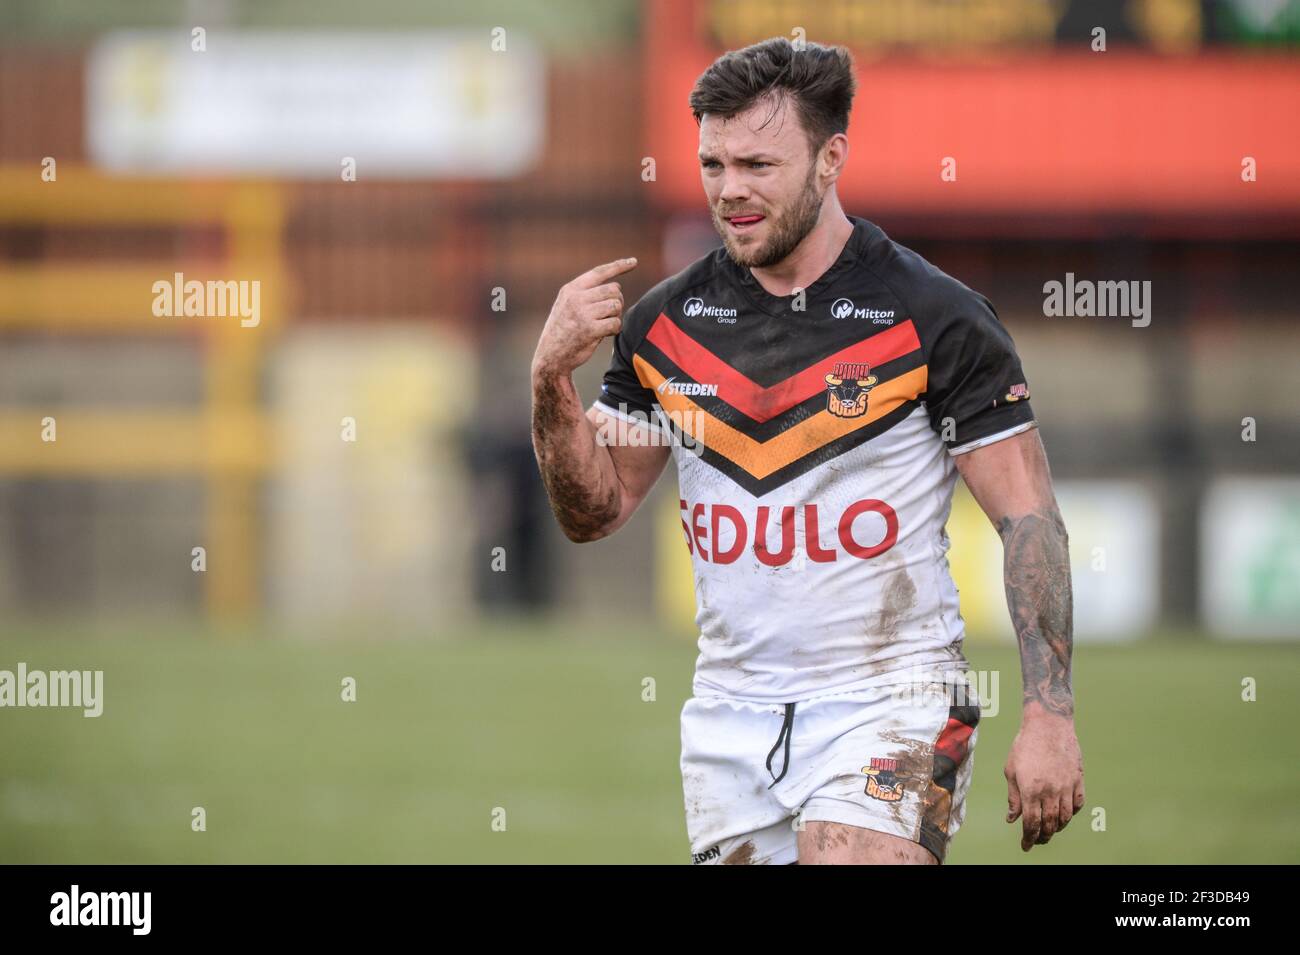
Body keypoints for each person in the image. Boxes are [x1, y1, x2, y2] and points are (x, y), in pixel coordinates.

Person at [530, 37, 1083, 864]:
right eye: (713, 164)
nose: (730, 191)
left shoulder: (935, 315)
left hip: (904, 699)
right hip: (728, 714)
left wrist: (1049, 712)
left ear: (832, 159)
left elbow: (1030, 519)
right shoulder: (662, 326)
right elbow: (593, 512)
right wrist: (548, 380)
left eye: (758, 163)